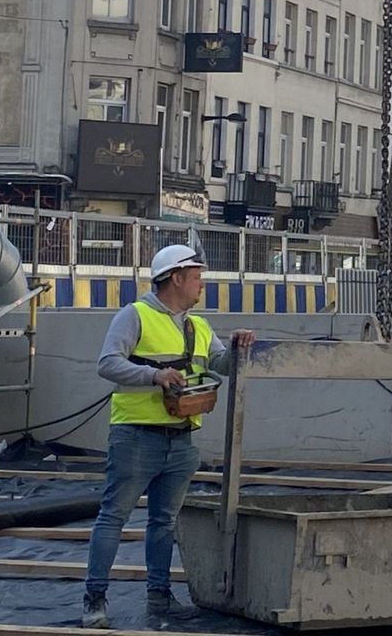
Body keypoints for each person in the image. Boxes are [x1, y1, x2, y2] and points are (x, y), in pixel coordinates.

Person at [83, 243, 255, 630]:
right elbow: (108, 363)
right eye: (196, 277)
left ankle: (159, 598)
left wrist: (239, 346)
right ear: (175, 278)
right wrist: (154, 375)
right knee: (113, 517)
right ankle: (95, 600)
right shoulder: (136, 316)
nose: (201, 285)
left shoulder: (198, 326)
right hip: (136, 437)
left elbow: (221, 364)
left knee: (163, 522)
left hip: (180, 440)